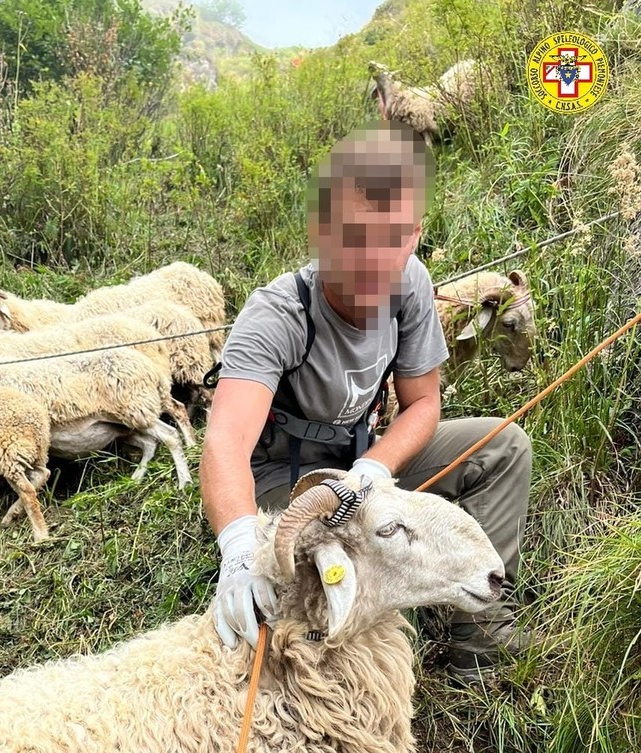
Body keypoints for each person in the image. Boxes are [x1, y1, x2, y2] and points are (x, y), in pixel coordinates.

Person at [200, 120, 532, 684]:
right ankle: (330, 678)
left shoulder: (410, 286)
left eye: (394, 237)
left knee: (502, 448)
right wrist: (237, 548)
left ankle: (479, 646)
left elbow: (424, 402)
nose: (375, 257)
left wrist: (372, 471)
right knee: (331, 541)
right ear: (322, 229)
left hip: (361, 465)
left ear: (415, 233)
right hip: (284, 483)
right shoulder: (279, 314)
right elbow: (225, 440)